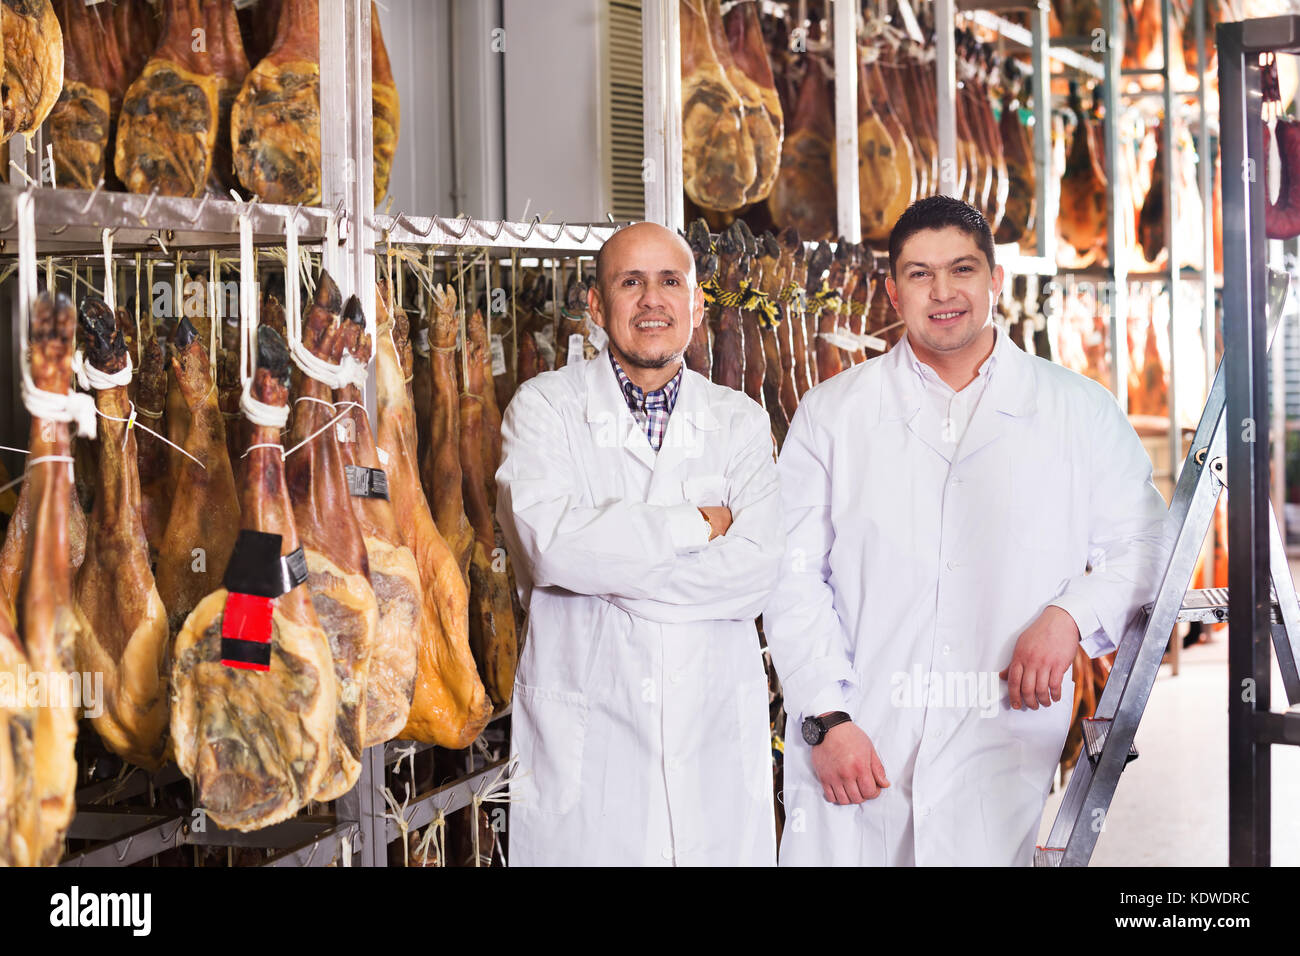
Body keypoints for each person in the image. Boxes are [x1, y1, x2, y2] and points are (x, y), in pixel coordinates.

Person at [763, 196, 1171, 866]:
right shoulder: (834, 414)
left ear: (994, 280)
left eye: (962, 269)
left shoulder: (1078, 411)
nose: (943, 291)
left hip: (1001, 737)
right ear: (893, 289)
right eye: (920, 274)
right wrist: (825, 718)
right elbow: (791, 573)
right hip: (858, 737)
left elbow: (1152, 546)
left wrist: (1071, 614)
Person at [495, 221, 783, 866]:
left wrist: (609, 567)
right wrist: (695, 526)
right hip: (592, 769)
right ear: (596, 306)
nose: (652, 300)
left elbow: (757, 573)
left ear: (697, 305)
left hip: (711, 756)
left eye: (669, 281)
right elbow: (552, 550)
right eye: (631, 282)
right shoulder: (543, 409)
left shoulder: (739, 421)